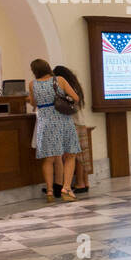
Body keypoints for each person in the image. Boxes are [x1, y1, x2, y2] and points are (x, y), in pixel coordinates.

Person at [30, 58, 81, 202]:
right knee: (70, 154)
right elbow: (75, 98)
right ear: (47, 68)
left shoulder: (32, 84)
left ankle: (50, 192)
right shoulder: (59, 80)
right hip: (62, 120)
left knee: (49, 158)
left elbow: (33, 103)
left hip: (45, 122)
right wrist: (61, 97)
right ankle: (66, 189)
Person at [51, 65, 90, 197]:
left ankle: (79, 183)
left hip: (72, 123)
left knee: (74, 155)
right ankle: (84, 182)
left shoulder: (64, 88)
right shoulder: (75, 86)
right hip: (81, 122)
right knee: (81, 156)